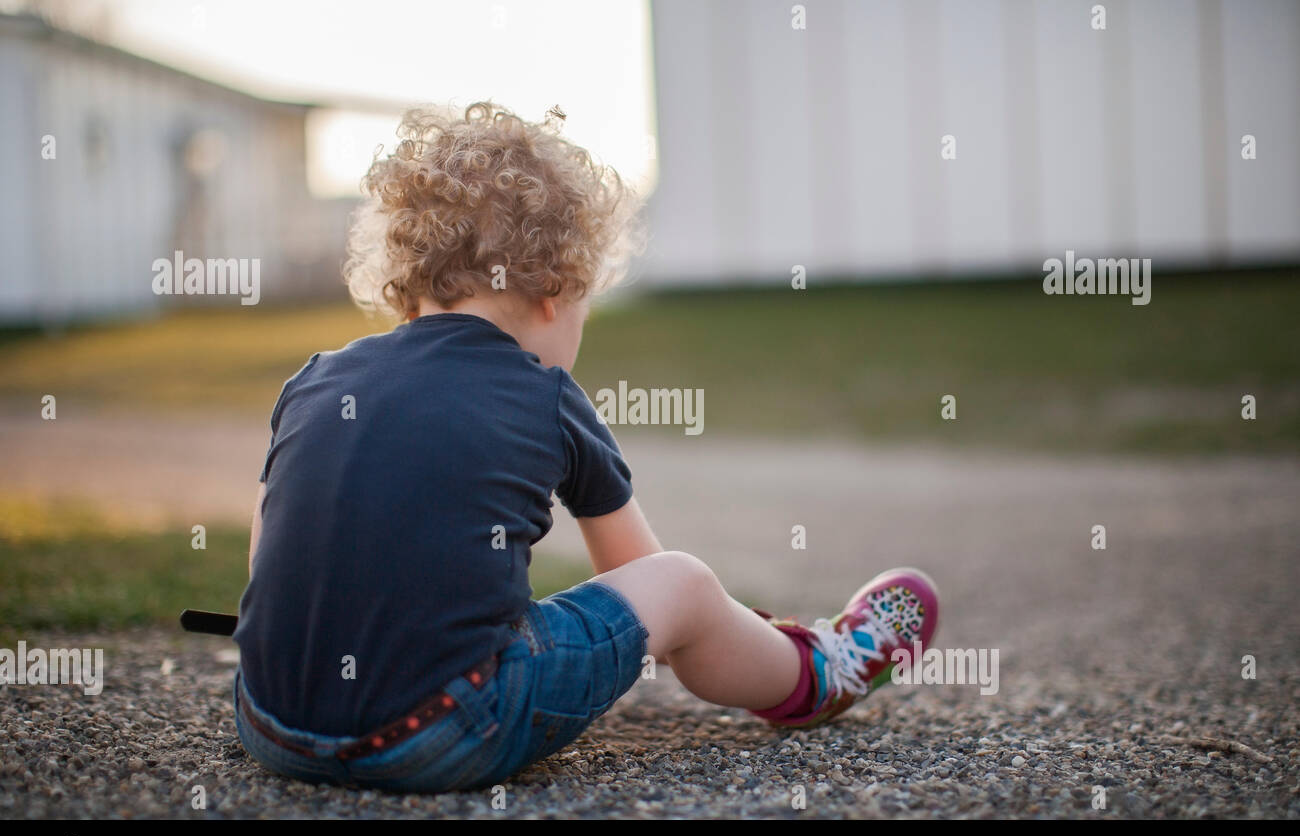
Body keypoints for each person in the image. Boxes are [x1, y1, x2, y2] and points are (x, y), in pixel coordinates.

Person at [231, 101, 939, 792]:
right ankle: (819, 671)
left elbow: (272, 564)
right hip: (444, 731)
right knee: (684, 582)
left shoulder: (316, 379)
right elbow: (644, 580)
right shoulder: (545, 393)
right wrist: (715, 622)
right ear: (553, 291)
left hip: (271, 721)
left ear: (407, 291)